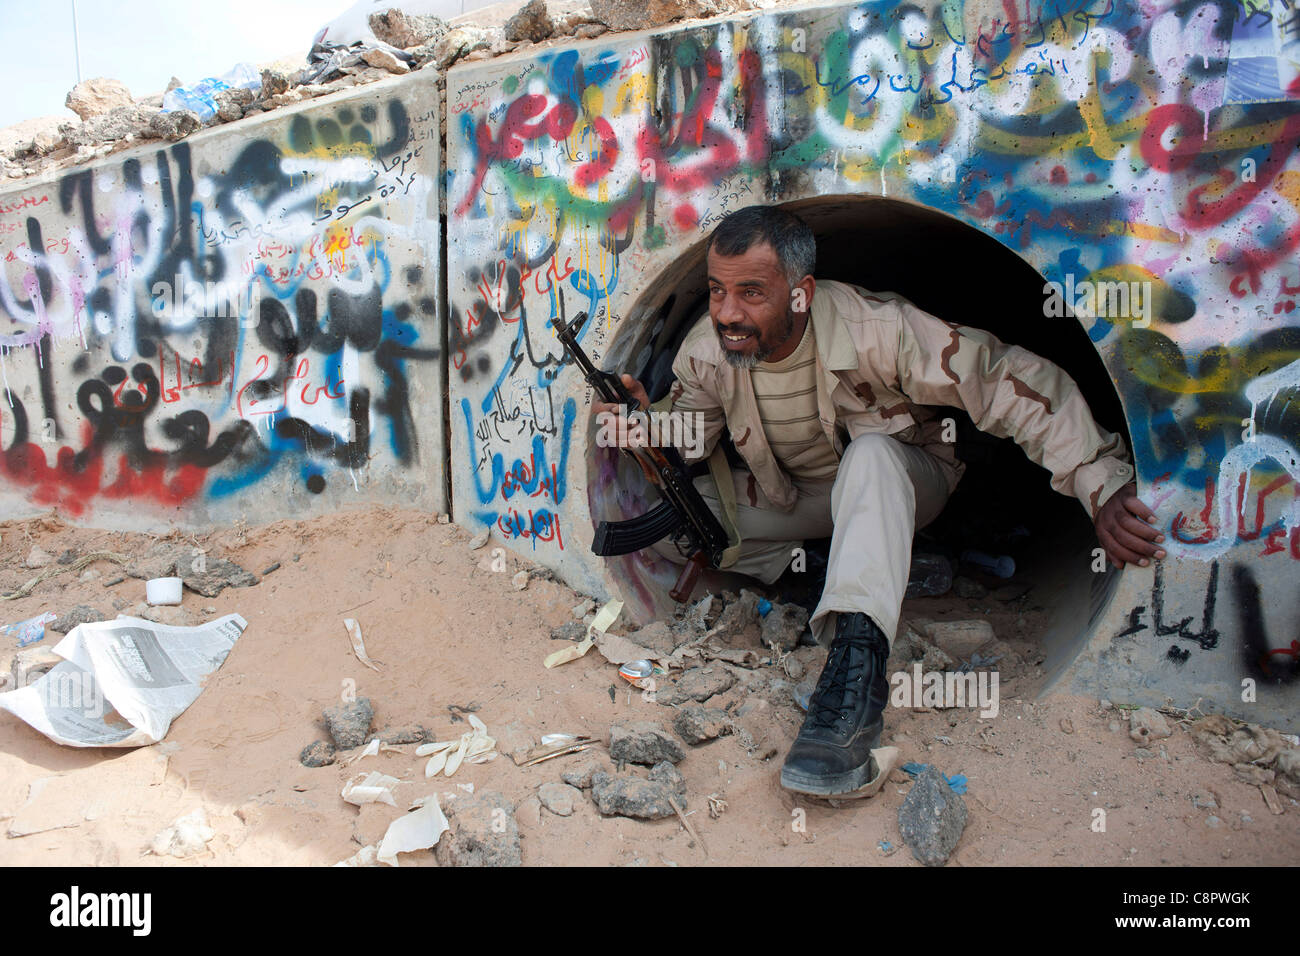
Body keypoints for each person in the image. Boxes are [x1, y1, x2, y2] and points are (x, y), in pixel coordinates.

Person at [591, 205, 1165, 797]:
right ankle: (824, 570)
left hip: (904, 478)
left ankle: (852, 683)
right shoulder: (710, 348)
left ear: (799, 294)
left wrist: (1099, 478)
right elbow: (695, 433)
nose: (727, 312)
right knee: (669, 518)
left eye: (750, 293)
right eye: (716, 291)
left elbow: (998, 381)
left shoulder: (877, 329)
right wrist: (647, 423)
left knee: (870, 457)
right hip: (803, 495)